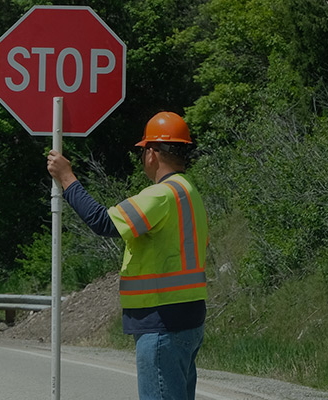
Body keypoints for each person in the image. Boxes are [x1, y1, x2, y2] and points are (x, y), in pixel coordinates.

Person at [46, 111, 209, 400]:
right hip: (188, 320)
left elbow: (103, 222)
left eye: (143, 151)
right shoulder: (190, 191)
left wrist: (67, 178)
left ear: (151, 154)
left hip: (162, 324)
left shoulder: (162, 195)